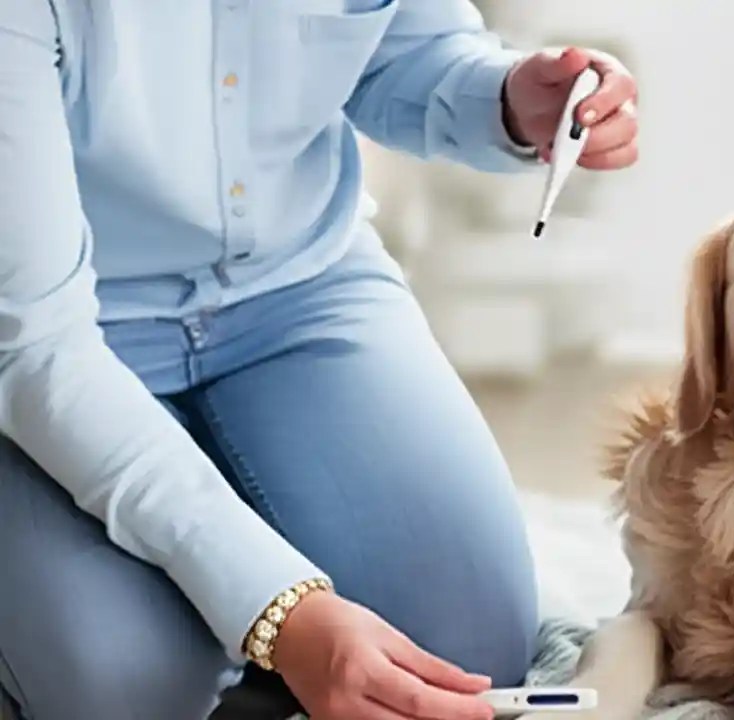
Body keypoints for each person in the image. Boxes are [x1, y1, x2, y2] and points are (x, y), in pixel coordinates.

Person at [0, 1, 638, 719]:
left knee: (462, 658)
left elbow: (403, 50)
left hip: (298, 286)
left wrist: (506, 98)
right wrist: (279, 610)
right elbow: (39, 348)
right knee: (127, 685)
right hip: (57, 332)